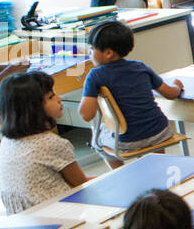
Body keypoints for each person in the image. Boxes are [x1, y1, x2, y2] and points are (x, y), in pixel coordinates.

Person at [78, 21, 183, 164]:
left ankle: (120, 176)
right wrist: (177, 86)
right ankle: (158, 166)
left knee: (98, 141)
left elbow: (86, 115)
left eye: (92, 48)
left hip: (127, 142)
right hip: (161, 132)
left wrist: (89, 90)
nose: (89, 52)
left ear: (108, 53)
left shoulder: (95, 76)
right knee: (153, 138)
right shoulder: (141, 67)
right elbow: (170, 94)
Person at [0, 72, 88, 213]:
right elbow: (82, 184)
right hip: (57, 214)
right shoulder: (51, 143)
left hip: (23, 218)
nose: (59, 99)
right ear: (32, 107)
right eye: (51, 97)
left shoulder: (7, 141)